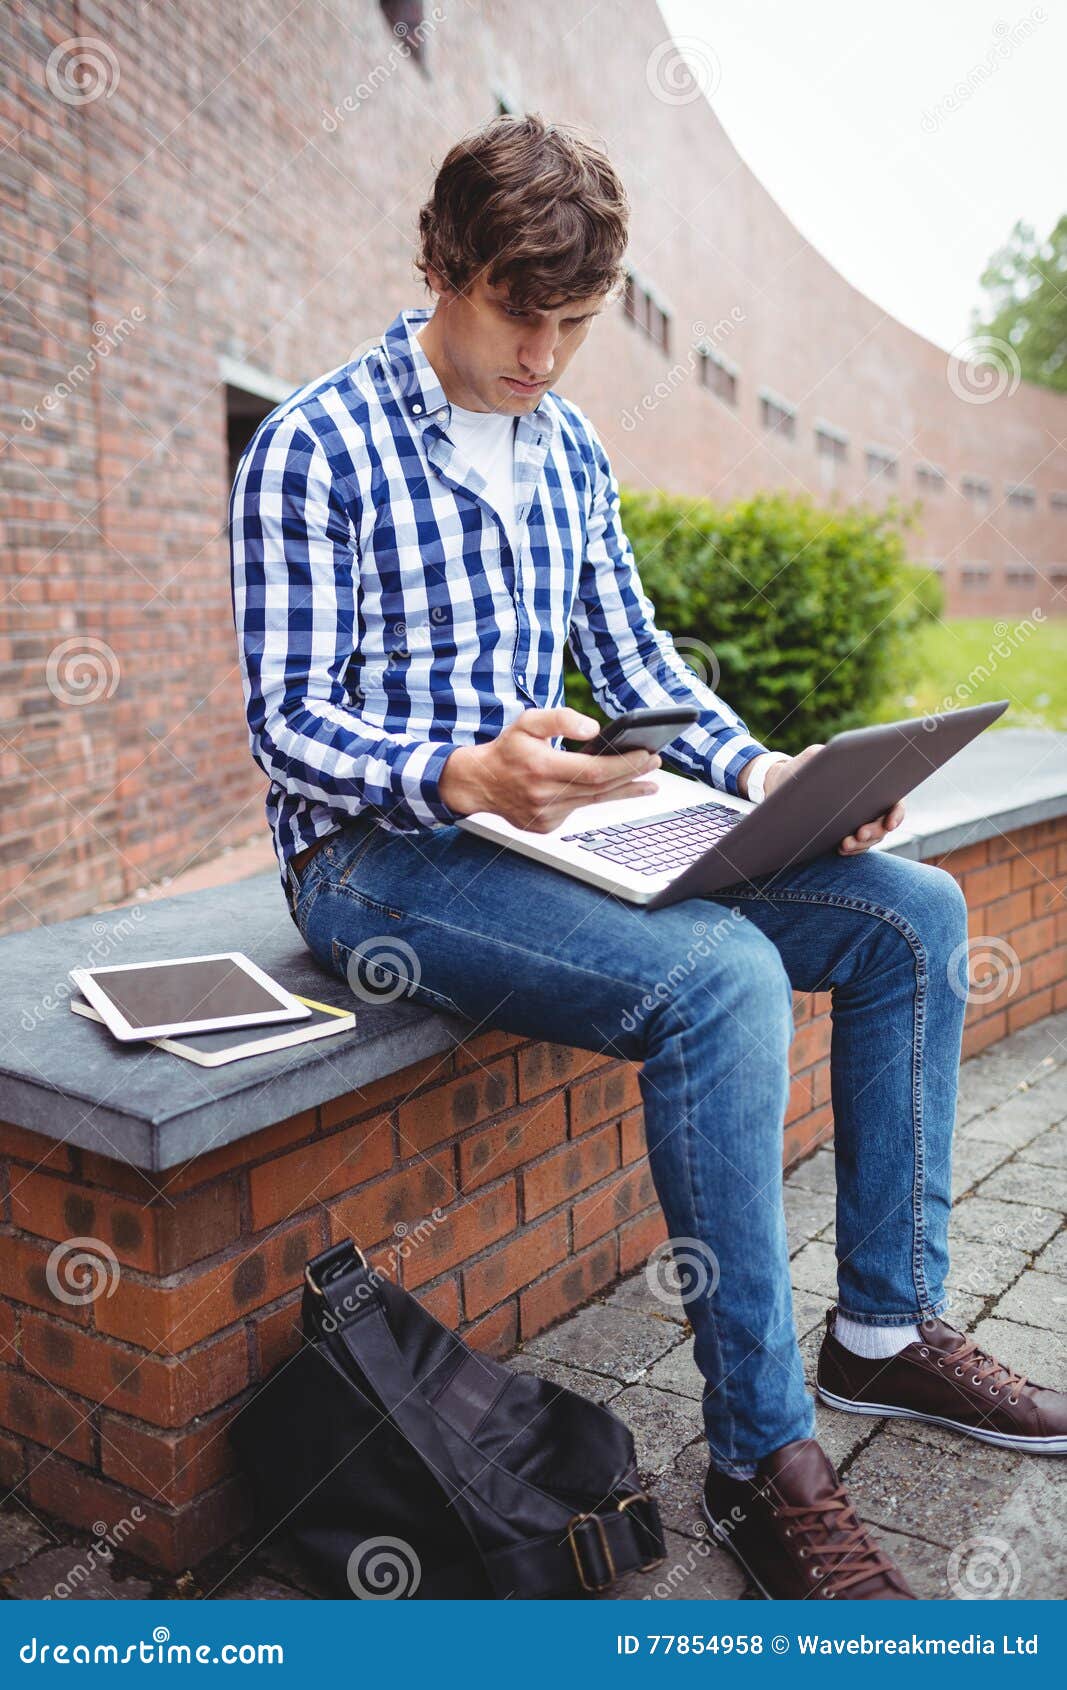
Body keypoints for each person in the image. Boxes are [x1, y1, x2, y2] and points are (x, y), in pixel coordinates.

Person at [229, 113, 1066, 1601]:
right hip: (378, 860)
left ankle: (883, 1328)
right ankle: (759, 1451)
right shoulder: (316, 443)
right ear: (440, 264)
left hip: (563, 827)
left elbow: (635, 652)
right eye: (515, 311)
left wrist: (767, 773)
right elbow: (289, 722)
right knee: (724, 979)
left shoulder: (568, 447)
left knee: (912, 914)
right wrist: (449, 768)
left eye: (573, 323)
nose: (543, 353)